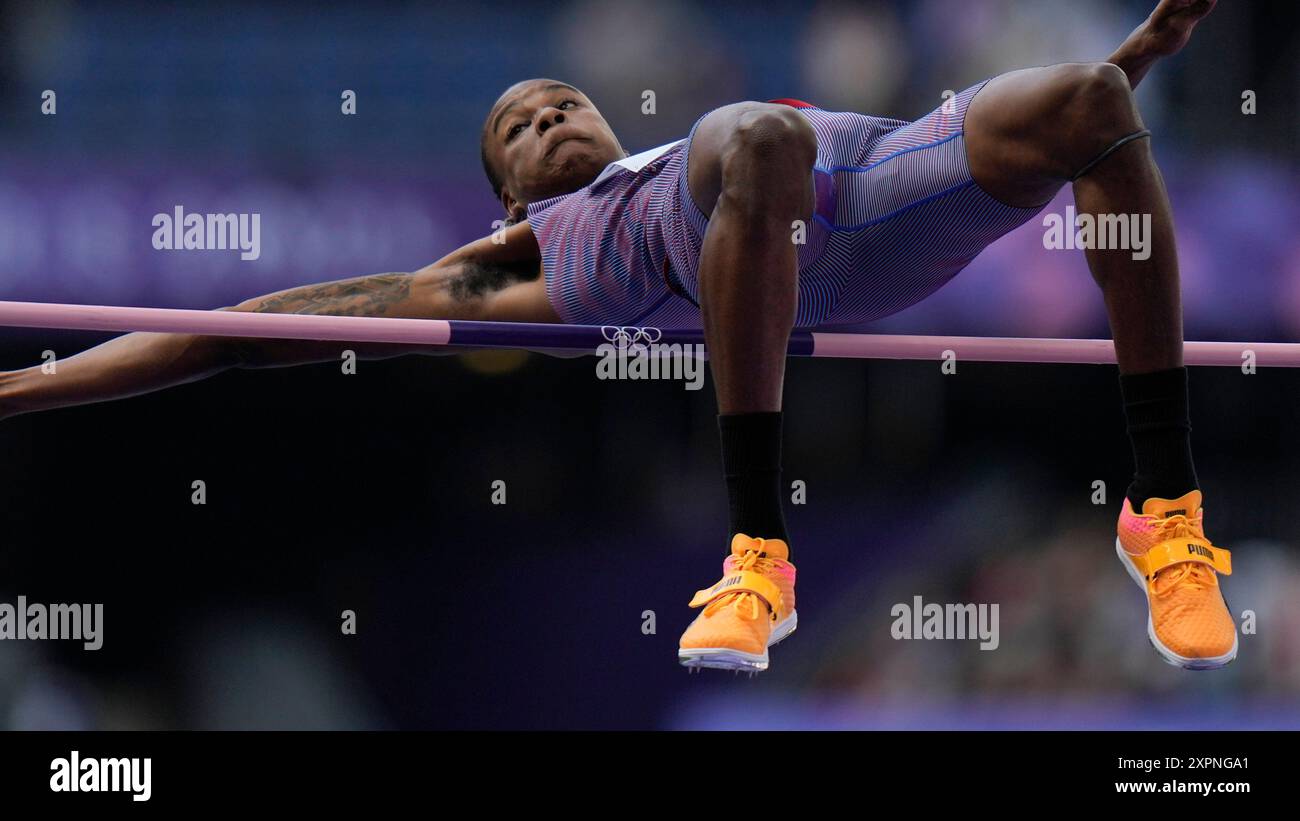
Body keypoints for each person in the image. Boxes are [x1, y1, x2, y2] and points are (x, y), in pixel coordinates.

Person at [0, 0, 1232, 673]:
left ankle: (1163, 515)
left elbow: (983, 134)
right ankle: (759, 553)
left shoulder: (681, 142)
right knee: (752, 135)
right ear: (509, 199)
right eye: (521, 124)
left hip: (871, 197)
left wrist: (1127, 63)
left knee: (1092, 98)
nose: (548, 112)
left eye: (561, 101)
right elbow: (221, 335)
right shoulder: (514, 266)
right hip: (757, 194)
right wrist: (21, 386)